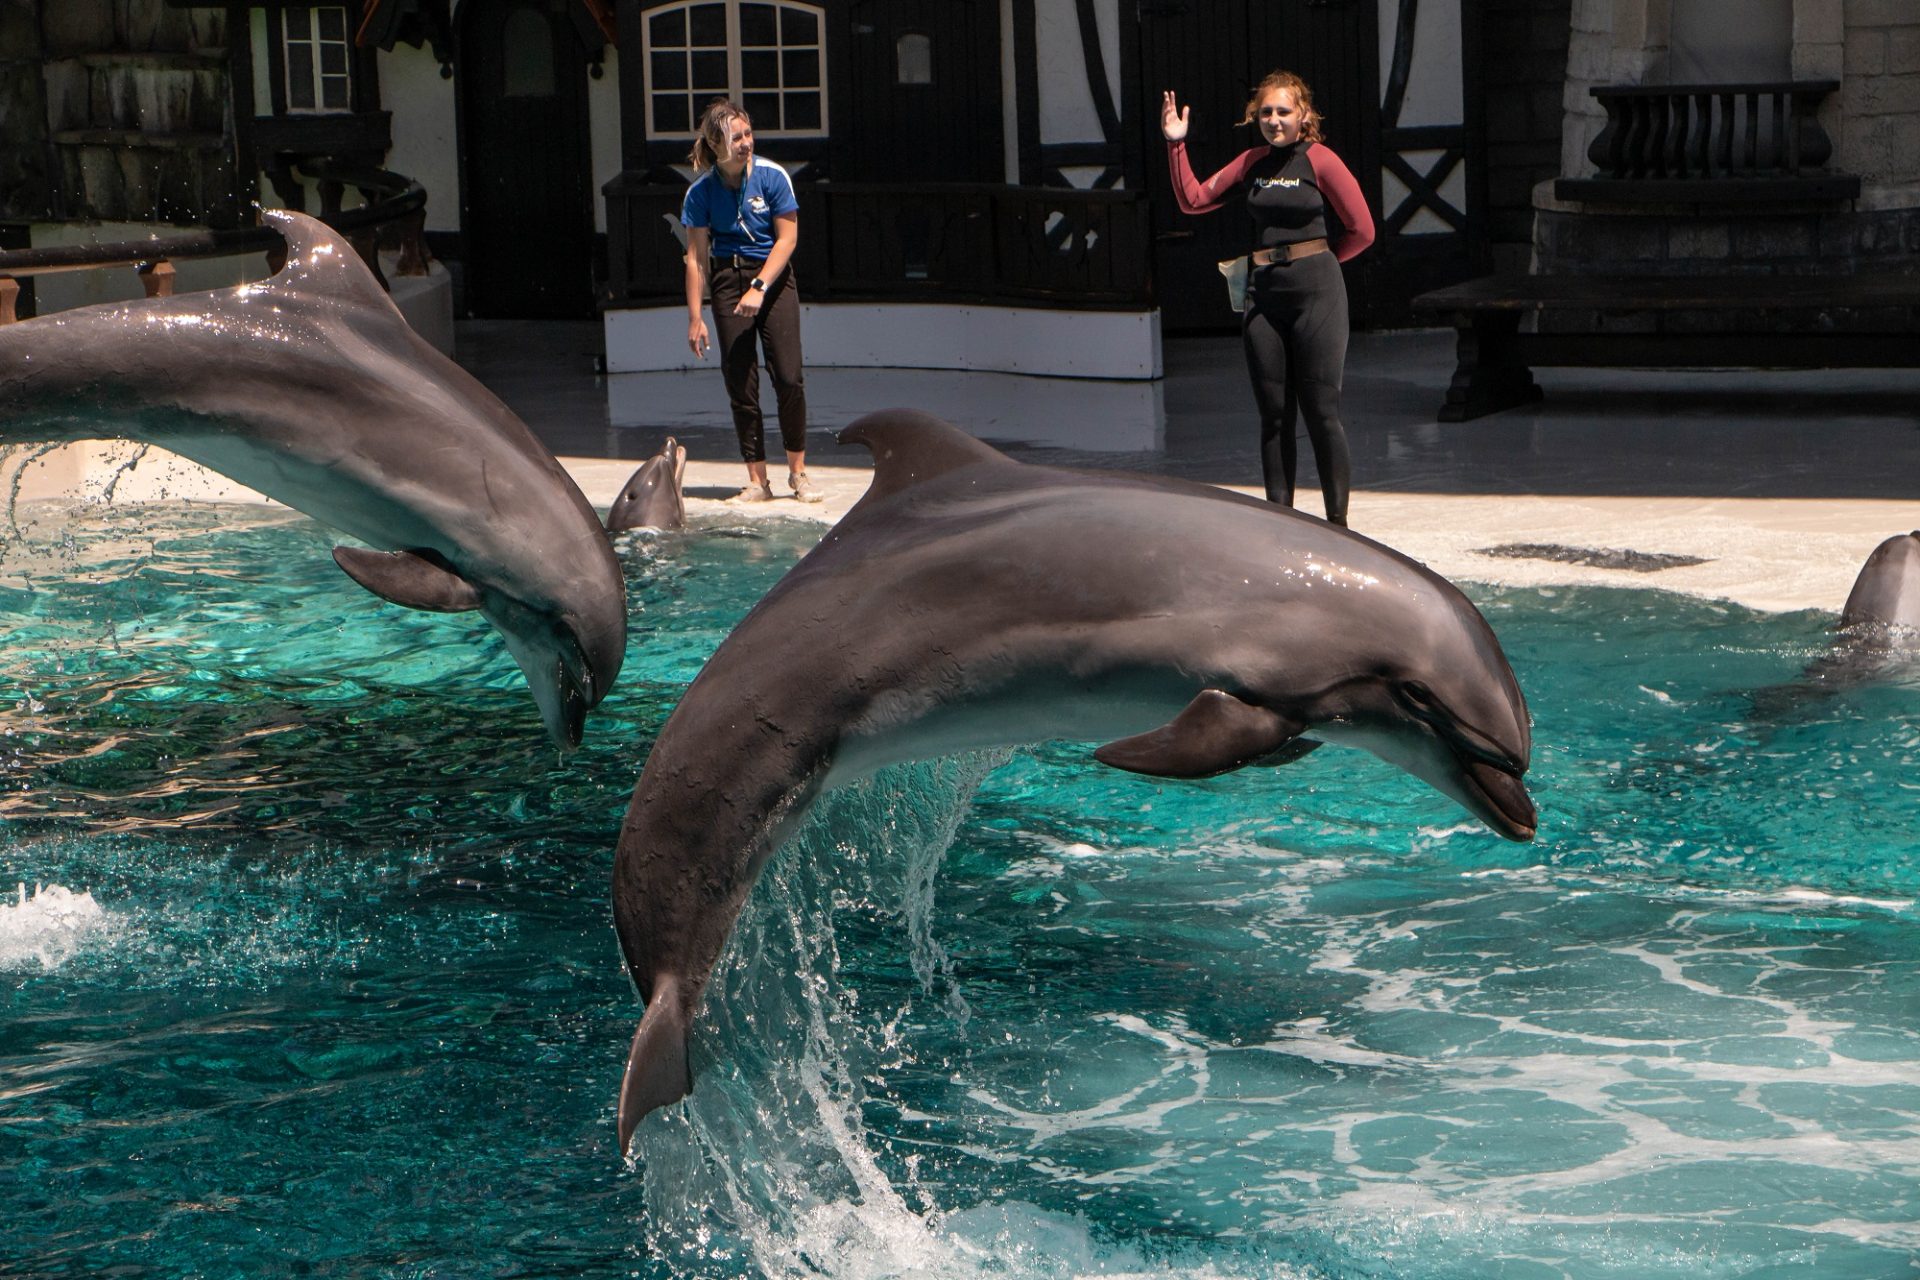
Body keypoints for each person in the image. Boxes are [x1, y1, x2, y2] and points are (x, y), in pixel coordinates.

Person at [1162, 72, 1375, 525]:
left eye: (1283, 111)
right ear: (1254, 117)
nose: (1274, 120)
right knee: (1275, 416)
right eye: (1265, 113)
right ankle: (1282, 522)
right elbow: (1193, 200)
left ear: (1303, 115)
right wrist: (1176, 143)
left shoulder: (1320, 160)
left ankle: (1338, 525)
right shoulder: (1251, 163)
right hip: (1265, 298)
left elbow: (1362, 230)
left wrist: (1320, 262)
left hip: (1317, 296)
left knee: (1321, 413)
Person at [681, 99, 821, 503]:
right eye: (736, 137)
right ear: (715, 145)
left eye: (747, 133)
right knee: (741, 381)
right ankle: (758, 480)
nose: (746, 143)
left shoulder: (772, 176)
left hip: (772, 278)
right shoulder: (700, 192)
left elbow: (787, 240)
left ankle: (798, 472)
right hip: (728, 279)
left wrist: (759, 286)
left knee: (789, 376)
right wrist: (695, 317)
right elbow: (696, 259)